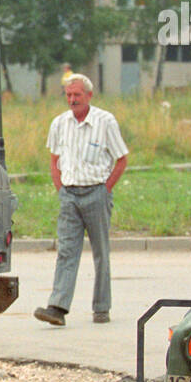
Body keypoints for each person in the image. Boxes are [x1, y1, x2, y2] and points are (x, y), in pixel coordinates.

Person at [34, 74, 129, 327]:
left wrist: (105, 189)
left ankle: (101, 308)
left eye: (77, 95)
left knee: (101, 253)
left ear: (89, 95)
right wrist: (61, 188)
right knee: (66, 251)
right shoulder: (59, 123)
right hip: (69, 195)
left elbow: (121, 159)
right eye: (68, 95)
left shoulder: (105, 121)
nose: (72, 99)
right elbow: (54, 160)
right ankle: (57, 307)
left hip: (96, 192)